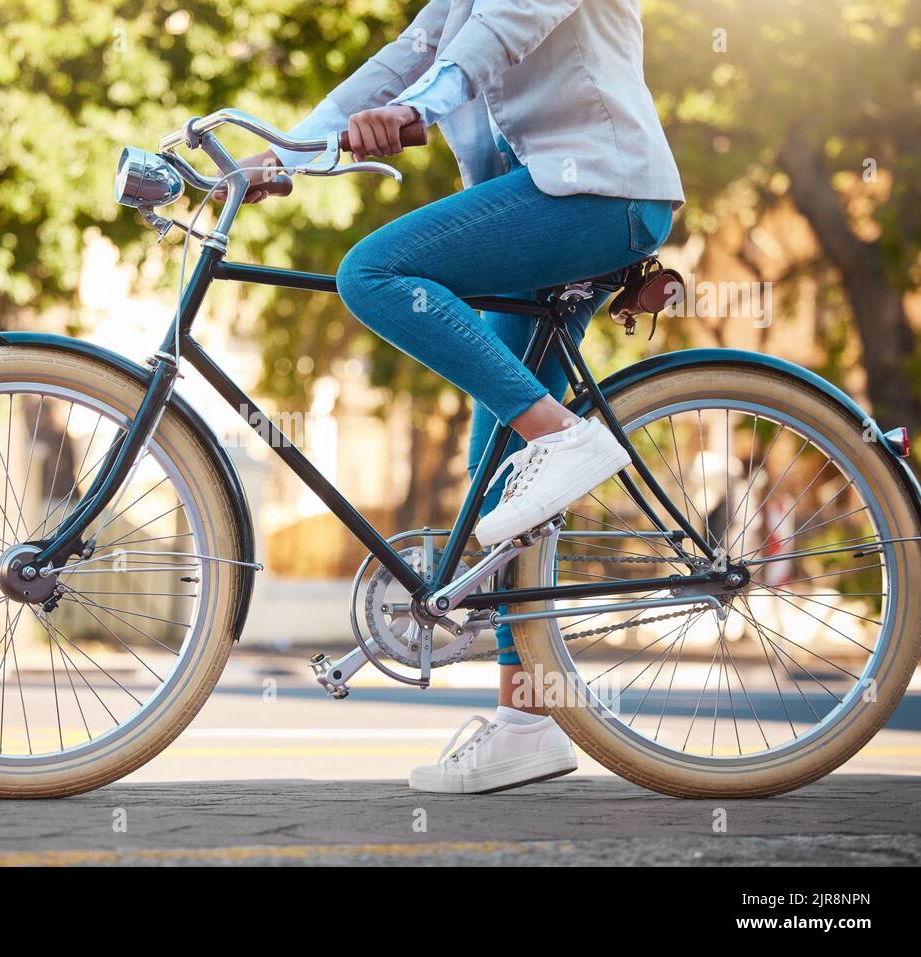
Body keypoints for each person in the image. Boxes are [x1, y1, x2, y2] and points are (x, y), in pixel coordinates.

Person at [234, 0, 684, 793]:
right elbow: (409, 53)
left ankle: (561, 435)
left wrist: (415, 110)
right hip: (547, 205)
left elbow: (502, 29)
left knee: (372, 271)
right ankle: (526, 725)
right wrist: (284, 154)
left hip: (593, 194)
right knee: (496, 473)